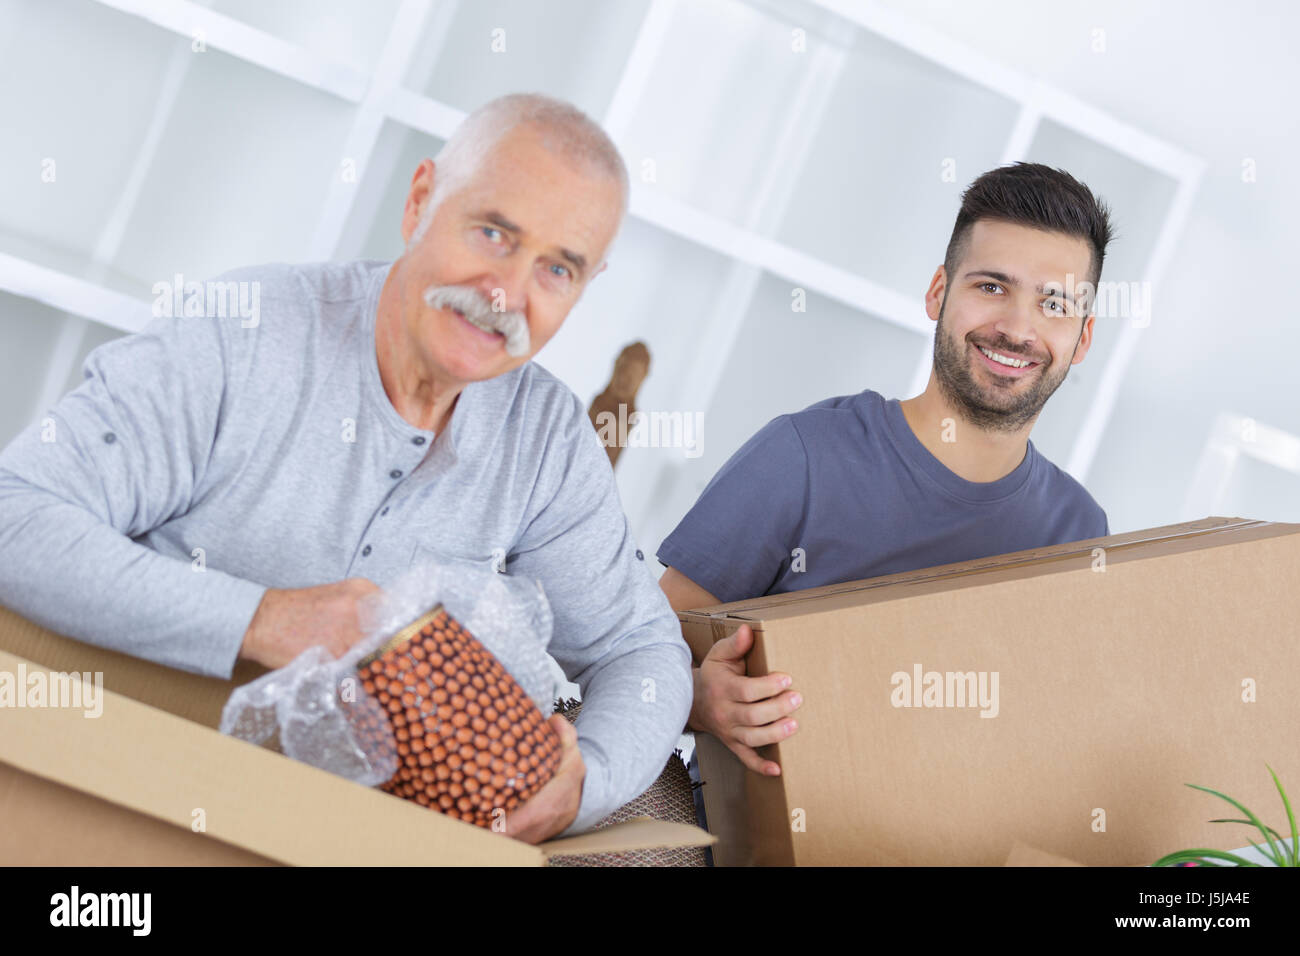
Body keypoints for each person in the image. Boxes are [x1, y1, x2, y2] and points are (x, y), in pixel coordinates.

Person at [0, 93, 692, 844]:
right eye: (494, 233)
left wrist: (585, 779)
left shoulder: (546, 441)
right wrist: (264, 620)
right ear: (421, 200)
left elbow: (641, 649)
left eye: (557, 269)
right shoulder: (245, 331)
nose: (508, 294)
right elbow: (17, 511)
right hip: (106, 792)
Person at [658, 162, 1114, 790]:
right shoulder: (805, 456)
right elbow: (637, 655)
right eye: (991, 286)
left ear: (1082, 337)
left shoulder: (1079, 530)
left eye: (1054, 303)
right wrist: (699, 702)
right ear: (938, 293)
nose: (1017, 327)